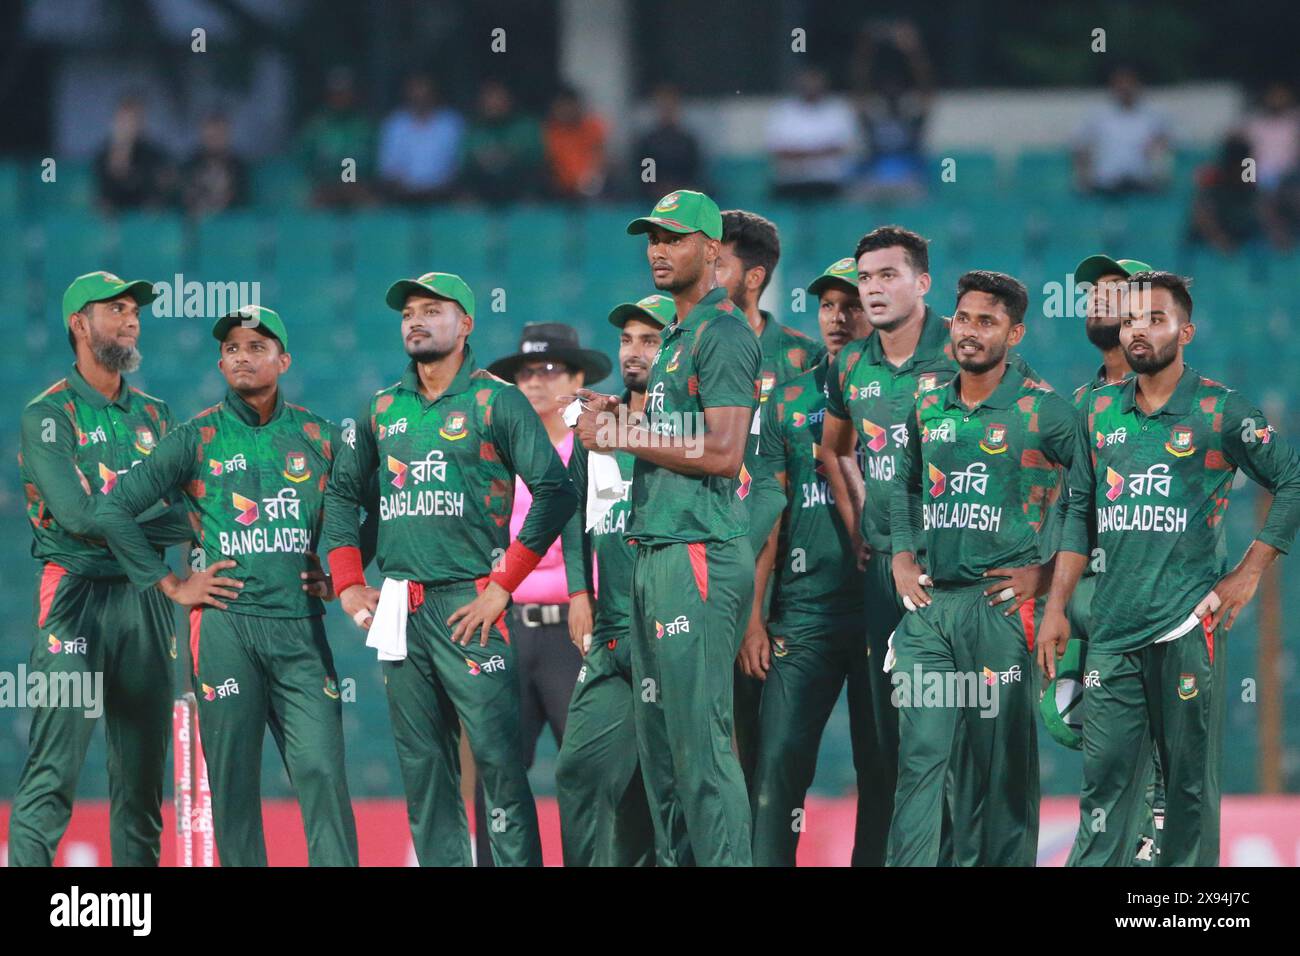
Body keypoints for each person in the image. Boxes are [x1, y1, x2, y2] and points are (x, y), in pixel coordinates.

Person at [1038, 271, 1300, 866]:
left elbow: (1292, 478)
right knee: (1103, 786)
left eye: (1154, 318)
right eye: (1130, 319)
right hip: (1110, 633)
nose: (1138, 329)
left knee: (1184, 791)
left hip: (1186, 628)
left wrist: (1250, 571)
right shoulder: (1098, 409)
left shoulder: (1220, 409)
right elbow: (1079, 508)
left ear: (1186, 330)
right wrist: (1056, 608)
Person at [98, 306, 374, 866]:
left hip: (300, 631)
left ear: (283, 360)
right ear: (221, 362)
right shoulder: (194, 437)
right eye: (231, 349)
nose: (242, 356)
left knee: (322, 772)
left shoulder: (319, 436)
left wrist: (343, 574)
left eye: (255, 346)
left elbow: (375, 510)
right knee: (233, 785)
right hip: (226, 631)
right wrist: (171, 584)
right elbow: (114, 512)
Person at [322, 272, 576, 867]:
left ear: (465, 324)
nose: (416, 319)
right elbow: (340, 497)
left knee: (497, 766)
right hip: (400, 603)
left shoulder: (496, 400)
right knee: (423, 767)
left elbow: (556, 491)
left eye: (432, 310)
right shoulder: (382, 407)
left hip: (472, 605)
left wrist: (503, 586)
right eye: (409, 311)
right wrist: (350, 582)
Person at [571, 189, 761, 866]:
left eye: (674, 238)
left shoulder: (725, 332)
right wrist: (620, 411)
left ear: (712, 250)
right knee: (661, 752)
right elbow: (674, 431)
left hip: (697, 555)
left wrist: (620, 429)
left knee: (700, 749)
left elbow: (723, 449)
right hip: (655, 556)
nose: (658, 249)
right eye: (652, 237)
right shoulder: (678, 339)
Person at [887, 270, 1088, 867]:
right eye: (964, 319)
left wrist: (1047, 575)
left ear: (1015, 333)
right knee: (920, 760)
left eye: (988, 321)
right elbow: (904, 483)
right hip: (932, 608)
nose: (971, 332)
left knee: (998, 766)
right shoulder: (928, 402)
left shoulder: (1044, 411)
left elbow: (1097, 494)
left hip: (999, 608)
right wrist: (901, 554)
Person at [9, 271, 192, 865]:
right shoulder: (48, 416)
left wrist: (117, 517)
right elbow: (76, 516)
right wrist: (143, 520)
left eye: (134, 309)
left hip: (146, 602)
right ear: (79, 323)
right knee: (53, 775)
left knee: (140, 790)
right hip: (75, 600)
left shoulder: (159, 415)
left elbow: (190, 515)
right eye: (115, 309)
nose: (131, 318)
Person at [818, 225, 954, 864]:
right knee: (891, 740)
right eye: (865, 277)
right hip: (883, 579)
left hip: (957, 574)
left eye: (887, 276)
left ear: (921, 283)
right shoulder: (847, 363)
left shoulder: (963, 346)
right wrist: (859, 528)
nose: (872, 290)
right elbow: (835, 448)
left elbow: (1031, 441)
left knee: (964, 738)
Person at [746, 258, 876, 865]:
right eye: (827, 305)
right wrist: (753, 617)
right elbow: (767, 515)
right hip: (803, 611)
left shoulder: (909, 395)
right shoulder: (789, 398)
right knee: (776, 768)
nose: (838, 317)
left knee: (885, 770)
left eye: (851, 304)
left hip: (886, 611)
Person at [468, 323, 611, 866]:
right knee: (496, 766)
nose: (536, 383)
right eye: (526, 373)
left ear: (578, 379)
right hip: (503, 627)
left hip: (573, 629)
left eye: (551, 370)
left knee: (589, 765)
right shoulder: (494, 451)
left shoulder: (598, 449)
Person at [554, 294, 672, 866]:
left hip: (674, 628)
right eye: (627, 339)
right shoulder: (597, 424)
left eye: (649, 339)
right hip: (612, 629)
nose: (633, 351)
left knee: (665, 789)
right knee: (578, 769)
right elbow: (575, 511)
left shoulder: (689, 430)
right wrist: (580, 591)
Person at [715, 208, 825, 787]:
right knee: (717, 744)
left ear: (753, 278)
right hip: (713, 562)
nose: (707, 271)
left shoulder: (805, 359)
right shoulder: (685, 350)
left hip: (792, 574)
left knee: (773, 755)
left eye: (720, 262)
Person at [1062, 254, 1165, 865]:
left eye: (1114, 293)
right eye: (1091, 294)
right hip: (1093, 610)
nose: (1097, 302)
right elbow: (1066, 514)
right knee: (1104, 768)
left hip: (1158, 607)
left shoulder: (1176, 400)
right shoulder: (1081, 403)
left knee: (1159, 774)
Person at [850, 20, 934, 201]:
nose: (891, 93)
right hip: (873, 181)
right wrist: (866, 49)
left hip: (909, 180)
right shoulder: (873, 123)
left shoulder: (912, 123)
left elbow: (927, 93)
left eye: (896, 89)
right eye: (887, 89)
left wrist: (913, 51)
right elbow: (858, 92)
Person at [1073, 66, 1171, 196]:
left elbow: (1166, 147)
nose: (1125, 89)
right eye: (1120, 84)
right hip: (1106, 183)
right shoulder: (1098, 117)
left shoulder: (1153, 118)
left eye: (1129, 84)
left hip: (1141, 182)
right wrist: (1084, 179)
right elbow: (1079, 148)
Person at [765, 68, 858, 201]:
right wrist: (819, 152)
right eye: (806, 83)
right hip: (790, 180)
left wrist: (801, 153)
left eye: (815, 83)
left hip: (829, 180)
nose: (811, 87)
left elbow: (841, 147)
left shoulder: (838, 109)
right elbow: (778, 150)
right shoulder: (783, 110)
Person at [377, 73, 464, 204]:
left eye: (425, 92)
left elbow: (457, 165)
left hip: (443, 197)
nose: (420, 97)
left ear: (434, 93)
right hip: (401, 197)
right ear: (407, 94)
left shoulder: (451, 124)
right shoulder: (395, 124)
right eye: (415, 92)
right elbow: (388, 169)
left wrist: (437, 188)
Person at [298, 67, 377, 209]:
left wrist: (350, 179)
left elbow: (371, 161)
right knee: (309, 206)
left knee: (372, 208)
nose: (341, 98)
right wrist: (326, 179)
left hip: (357, 188)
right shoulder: (317, 126)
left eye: (345, 93)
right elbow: (304, 160)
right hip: (324, 188)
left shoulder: (363, 126)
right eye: (337, 93)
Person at [461, 79, 544, 204]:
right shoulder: (474, 129)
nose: (494, 105)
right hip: (483, 191)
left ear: (509, 101)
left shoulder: (526, 126)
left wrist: (511, 156)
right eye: (489, 100)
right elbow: (463, 160)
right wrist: (481, 159)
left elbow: (537, 155)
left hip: (520, 190)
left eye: (498, 99)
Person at [94, 97, 175, 213]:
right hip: (115, 218)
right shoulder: (103, 155)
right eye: (123, 120)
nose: (128, 126)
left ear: (141, 123)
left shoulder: (155, 155)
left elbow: (157, 191)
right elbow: (105, 194)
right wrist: (121, 152)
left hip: (148, 220)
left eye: (132, 120)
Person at [1189, 134, 1263, 253]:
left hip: (1240, 235)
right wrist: (1220, 240)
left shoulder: (1248, 180)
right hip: (1209, 242)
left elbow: (1259, 207)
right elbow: (1201, 214)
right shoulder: (1212, 178)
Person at [632, 85, 703, 200]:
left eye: (670, 107)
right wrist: (657, 188)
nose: (667, 112)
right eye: (663, 108)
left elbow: (694, 172)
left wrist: (678, 189)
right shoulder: (649, 142)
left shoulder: (687, 141)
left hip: (683, 195)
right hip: (653, 197)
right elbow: (645, 175)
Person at [543, 85, 608, 200]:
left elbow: (600, 156)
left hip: (594, 187)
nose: (567, 110)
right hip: (561, 191)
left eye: (570, 105)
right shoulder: (550, 133)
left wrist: (590, 179)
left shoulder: (593, 127)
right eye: (562, 106)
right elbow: (553, 163)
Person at [180, 113, 248, 218]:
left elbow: (241, 200)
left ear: (227, 135)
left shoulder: (238, 166)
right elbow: (185, 197)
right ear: (203, 135)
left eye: (220, 134)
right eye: (211, 135)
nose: (215, 139)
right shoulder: (190, 165)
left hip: (229, 222)